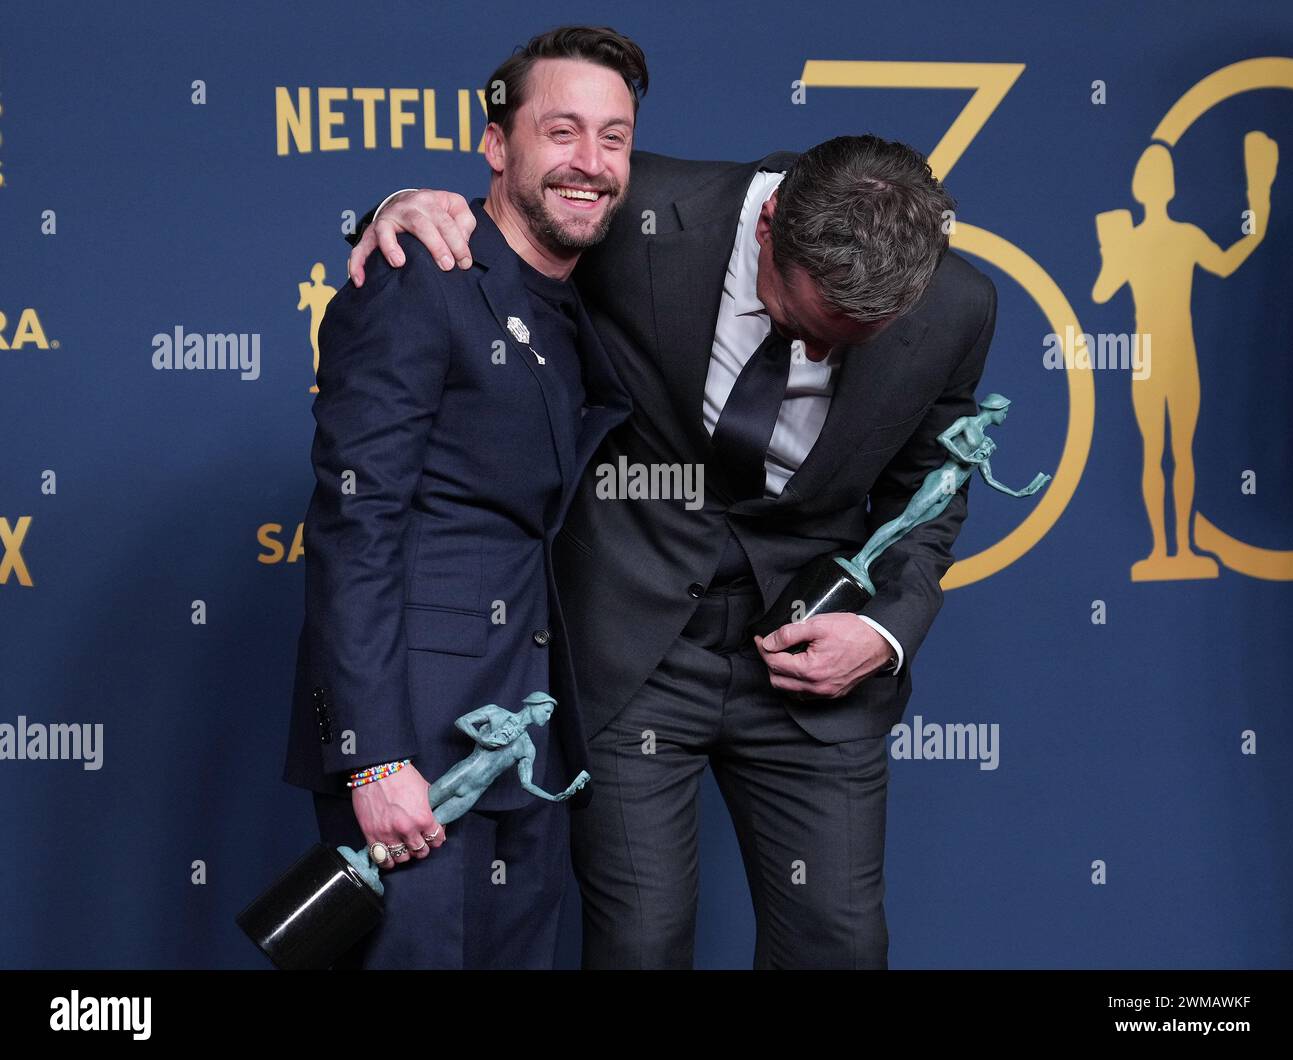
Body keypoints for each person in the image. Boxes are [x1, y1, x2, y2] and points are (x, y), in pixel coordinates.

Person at [348, 129, 997, 968]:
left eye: (854, 340)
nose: (822, 356)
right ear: (768, 227)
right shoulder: (640, 208)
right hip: (633, 645)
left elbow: (929, 495)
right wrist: (400, 207)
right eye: (803, 324)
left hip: (813, 656)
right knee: (640, 944)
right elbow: (497, 233)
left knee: (840, 943)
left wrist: (883, 631)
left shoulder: (957, 305)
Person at [281, 25, 642, 969]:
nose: (590, 162)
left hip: (532, 746)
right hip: (416, 741)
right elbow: (354, 525)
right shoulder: (418, 278)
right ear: (494, 144)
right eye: (560, 130)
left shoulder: (581, 299)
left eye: (615, 138)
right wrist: (373, 756)